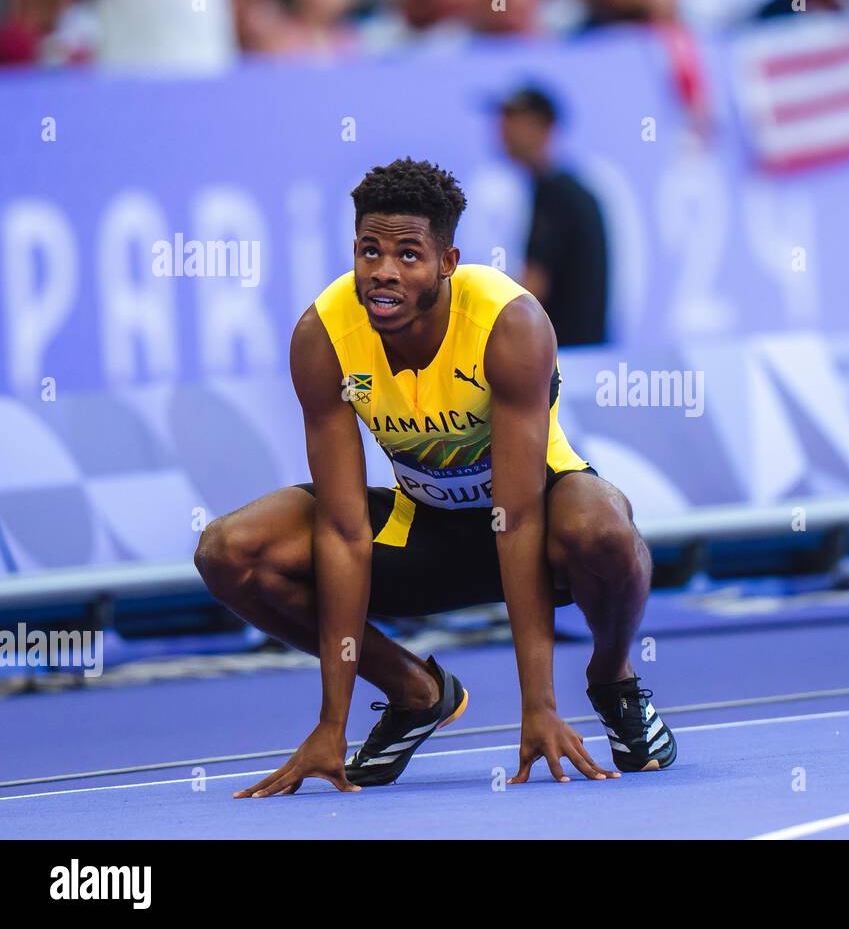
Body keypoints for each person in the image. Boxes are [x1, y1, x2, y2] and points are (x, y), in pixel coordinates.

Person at [194, 158, 675, 796]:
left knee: (605, 527)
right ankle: (414, 692)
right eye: (369, 250)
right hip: (424, 527)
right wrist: (330, 723)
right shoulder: (323, 336)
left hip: (539, 516)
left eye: (408, 255)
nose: (383, 272)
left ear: (447, 261)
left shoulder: (510, 323)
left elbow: (519, 518)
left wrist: (539, 706)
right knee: (229, 552)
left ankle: (612, 680)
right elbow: (344, 531)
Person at [497, 85, 610, 347]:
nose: (502, 128)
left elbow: (532, 288)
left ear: (543, 127)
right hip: (578, 353)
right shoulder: (564, 190)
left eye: (513, 118)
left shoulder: (554, 195)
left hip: (566, 357)